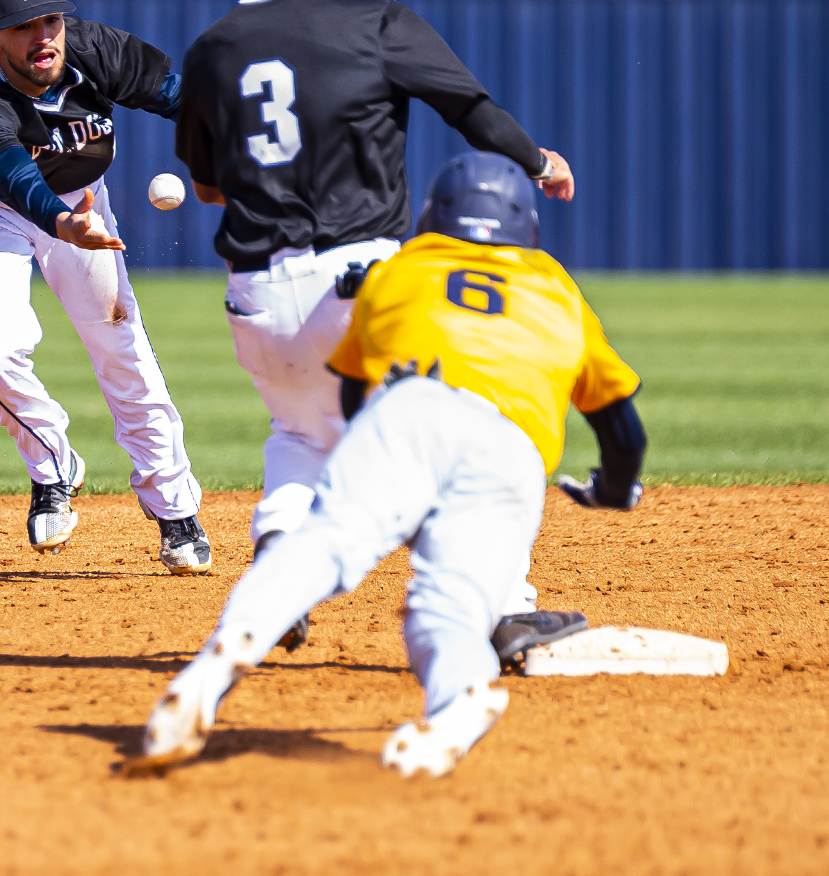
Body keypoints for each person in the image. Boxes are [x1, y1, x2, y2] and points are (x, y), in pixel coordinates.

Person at [131, 152, 648, 779]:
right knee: (450, 609)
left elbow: (352, 393)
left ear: (435, 213)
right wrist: (614, 488)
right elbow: (622, 428)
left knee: (324, 545)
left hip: (413, 408)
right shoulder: (559, 291)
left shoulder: (399, 268)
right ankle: (462, 696)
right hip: (513, 451)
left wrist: (389, 479)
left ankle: (217, 665)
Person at [173, 0, 576, 641]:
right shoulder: (378, 24)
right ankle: (498, 608)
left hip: (254, 298)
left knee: (299, 433)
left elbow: (210, 185)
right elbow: (469, 107)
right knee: (452, 436)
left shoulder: (214, 48)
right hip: (361, 289)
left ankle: (283, 552)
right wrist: (537, 160)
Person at [0, 0, 210, 575]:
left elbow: (181, 96)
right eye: (22, 26)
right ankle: (54, 462)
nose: (42, 36)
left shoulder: (91, 49)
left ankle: (176, 512)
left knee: (119, 342)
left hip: (82, 199)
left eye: (50, 18)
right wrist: (62, 225)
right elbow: (16, 181)